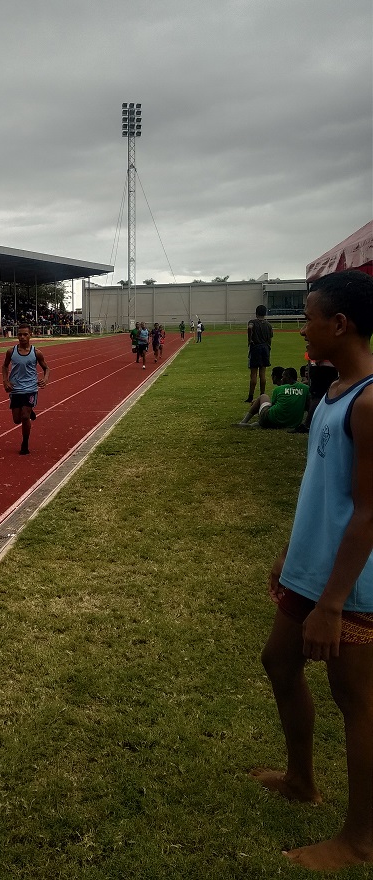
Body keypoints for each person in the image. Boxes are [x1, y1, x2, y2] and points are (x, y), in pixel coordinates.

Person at [250, 270, 373, 871]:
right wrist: (290, 551)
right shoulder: (332, 391)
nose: (302, 327)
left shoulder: (370, 401)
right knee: (278, 661)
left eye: (309, 317)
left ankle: (360, 839)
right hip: (307, 567)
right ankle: (302, 780)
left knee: (356, 699)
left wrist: (331, 602)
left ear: (340, 324)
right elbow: (320, 490)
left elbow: (370, 513)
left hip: (348, 585)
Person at [1, 323, 50, 455]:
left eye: (25, 334)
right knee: (17, 420)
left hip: (30, 388)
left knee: (24, 416)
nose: (22, 337)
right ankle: (30, 412)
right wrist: (5, 381)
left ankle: (25, 443)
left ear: (30, 335)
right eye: (20, 334)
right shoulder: (11, 352)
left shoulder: (36, 353)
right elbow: (4, 367)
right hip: (16, 388)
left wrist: (45, 379)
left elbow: (46, 368)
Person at [238, 367, 309, 429]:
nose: (282, 379)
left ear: (288, 377)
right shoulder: (305, 388)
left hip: (272, 420)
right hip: (293, 422)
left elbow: (272, 405)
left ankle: (244, 421)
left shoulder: (279, 389)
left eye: (283, 376)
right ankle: (258, 424)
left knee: (263, 396)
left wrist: (258, 405)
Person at [246, 304, 274, 402]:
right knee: (263, 373)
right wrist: (268, 347)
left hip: (255, 348)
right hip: (265, 348)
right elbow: (270, 338)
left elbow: (250, 328)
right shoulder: (268, 325)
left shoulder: (252, 322)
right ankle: (262, 394)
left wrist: (250, 340)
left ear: (256, 312)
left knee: (253, 374)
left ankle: (250, 396)